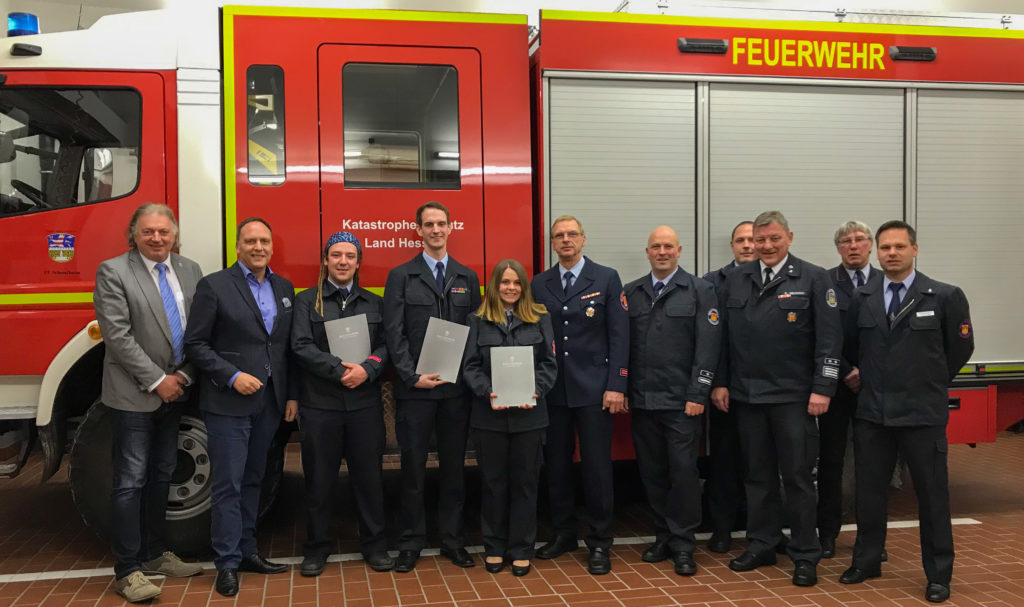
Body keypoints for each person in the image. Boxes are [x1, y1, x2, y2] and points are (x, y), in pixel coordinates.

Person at [839, 220, 973, 604]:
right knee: (869, 493)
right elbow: (850, 345)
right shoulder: (862, 297)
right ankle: (866, 561)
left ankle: (938, 574)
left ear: (914, 249)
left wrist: (927, 380)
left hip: (922, 414)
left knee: (932, 496)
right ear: (877, 253)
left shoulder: (944, 296)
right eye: (885, 248)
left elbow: (959, 349)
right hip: (873, 414)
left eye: (899, 246)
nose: (892, 253)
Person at [711, 210, 842, 587]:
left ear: (789, 237)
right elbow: (722, 338)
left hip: (794, 398)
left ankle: (805, 553)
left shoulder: (814, 278)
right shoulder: (736, 279)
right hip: (747, 397)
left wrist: (823, 388)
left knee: (798, 478)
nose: (766, 246)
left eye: (774, 238)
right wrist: (721, 382)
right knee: (757, 476)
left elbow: (829, 339)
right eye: (760, 239)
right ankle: (762, 543)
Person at [93, 203, 204, 602]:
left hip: (177, 390)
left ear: (175, 234)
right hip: (134, 395)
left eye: (164, 231)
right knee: (130, 482)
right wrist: (158, 381)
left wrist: (184, 376)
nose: (157, 238)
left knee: (161, 476)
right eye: (148, 232)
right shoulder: (113, 272)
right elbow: (117, 337)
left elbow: (200, 331)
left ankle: (155, 553)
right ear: (134, 235)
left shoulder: (190, 269)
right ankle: (127, 570)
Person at [183, 217, 297, 597]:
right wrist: (232, 376)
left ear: (272, 247)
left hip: (269, 402)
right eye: (250, 241)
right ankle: (227, 563)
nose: (258, 247)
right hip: (228, 401)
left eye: (264, 241)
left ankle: (248, 551)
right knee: (228, 484)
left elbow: (284, 348)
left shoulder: (284, 287)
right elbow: (195, 344)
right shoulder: (214, 285)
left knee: (254, 480)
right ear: (237, 247)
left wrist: (291, 395)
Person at [383, 201, 481, 572]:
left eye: (441, 223)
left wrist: (466, 374)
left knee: (454, 468)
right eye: (429, 224)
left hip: (455, 392)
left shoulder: (466, 276)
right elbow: (394, 332)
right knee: (412, 468)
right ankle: (411, 542)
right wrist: (411, 376)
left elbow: (474, 332)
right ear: (419, 230)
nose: (436, 230)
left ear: (450, 228)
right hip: (415, 391)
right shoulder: (401, 276)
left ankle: (453, 541)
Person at [290, 232, 393, 576]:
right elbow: (301, 345)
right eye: (336, 255)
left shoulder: (375, 303)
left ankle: (375, 546)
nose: (343, 261)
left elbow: (387, 345)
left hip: (364, 405)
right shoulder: (307, 301)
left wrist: (368, 369)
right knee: (319, 482)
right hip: (321, 406)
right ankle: (317, 548)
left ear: (359, 262)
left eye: (350, 255)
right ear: (325, 260)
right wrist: (339, 370)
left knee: (369, 480)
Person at [531, 215, 629, 575]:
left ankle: (600, 541)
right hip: (553, 391)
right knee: (556, 466)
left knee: (596, 468)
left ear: (583, 239)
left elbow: (619, 335)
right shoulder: (539, 283)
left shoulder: (606, 278)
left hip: (594, 391)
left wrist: (617, 384)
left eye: (572, 234)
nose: (566, 240)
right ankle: (564, 533)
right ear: (552, 243)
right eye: (559, 235)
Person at [624, 226, 720, 576]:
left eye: (668, 246)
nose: (662, 252)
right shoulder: (631, 292)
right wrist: (623, 389)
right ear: (647, 252)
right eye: (656, 247)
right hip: (643, 401)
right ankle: (662, 536)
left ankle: (683, 544)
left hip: (682, 403)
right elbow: (623, 345)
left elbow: (708, 346)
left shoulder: (700, 290)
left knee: (682, 473)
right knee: (652, 473)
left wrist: (698, 393)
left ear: (679, 251)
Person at [462, 259, 559, 577]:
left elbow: (549, 364)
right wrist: (487, 391)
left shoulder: (540, 317)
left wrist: (536, 390)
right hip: (489, 417)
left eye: (517, 282)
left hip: (530, 417)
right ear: (495, 285)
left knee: (525, 485)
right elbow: (469, 366)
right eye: (505, 282)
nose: (511, 288)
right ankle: (494, 547)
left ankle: (521, 549)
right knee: (493, 484)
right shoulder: (476, 319)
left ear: (524, 286)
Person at [818, 221, 880, 559]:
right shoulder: (824, 282)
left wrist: (866, 373)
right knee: (831, 463)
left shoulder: (886, 282)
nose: (853, 246)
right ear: (838, 247)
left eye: (859, 240)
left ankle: (871, 540)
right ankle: (827, 534)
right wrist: (845, 371)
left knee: (873, 465)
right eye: (845, 241)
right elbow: (820, 334)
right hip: (837, 387)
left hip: (875, 388)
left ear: (870, 244)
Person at [701, 220, 755, 553]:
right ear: (732, 246)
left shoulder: (781, 280)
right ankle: (722, 528)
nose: (747, 245)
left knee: (764, 463)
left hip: (766, 389)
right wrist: (718, 381)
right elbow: (712, 338)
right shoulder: (713, 282)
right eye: (741, 240)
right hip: (728, 390)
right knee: (723, 461)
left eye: (752, 239)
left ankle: (765, 529)